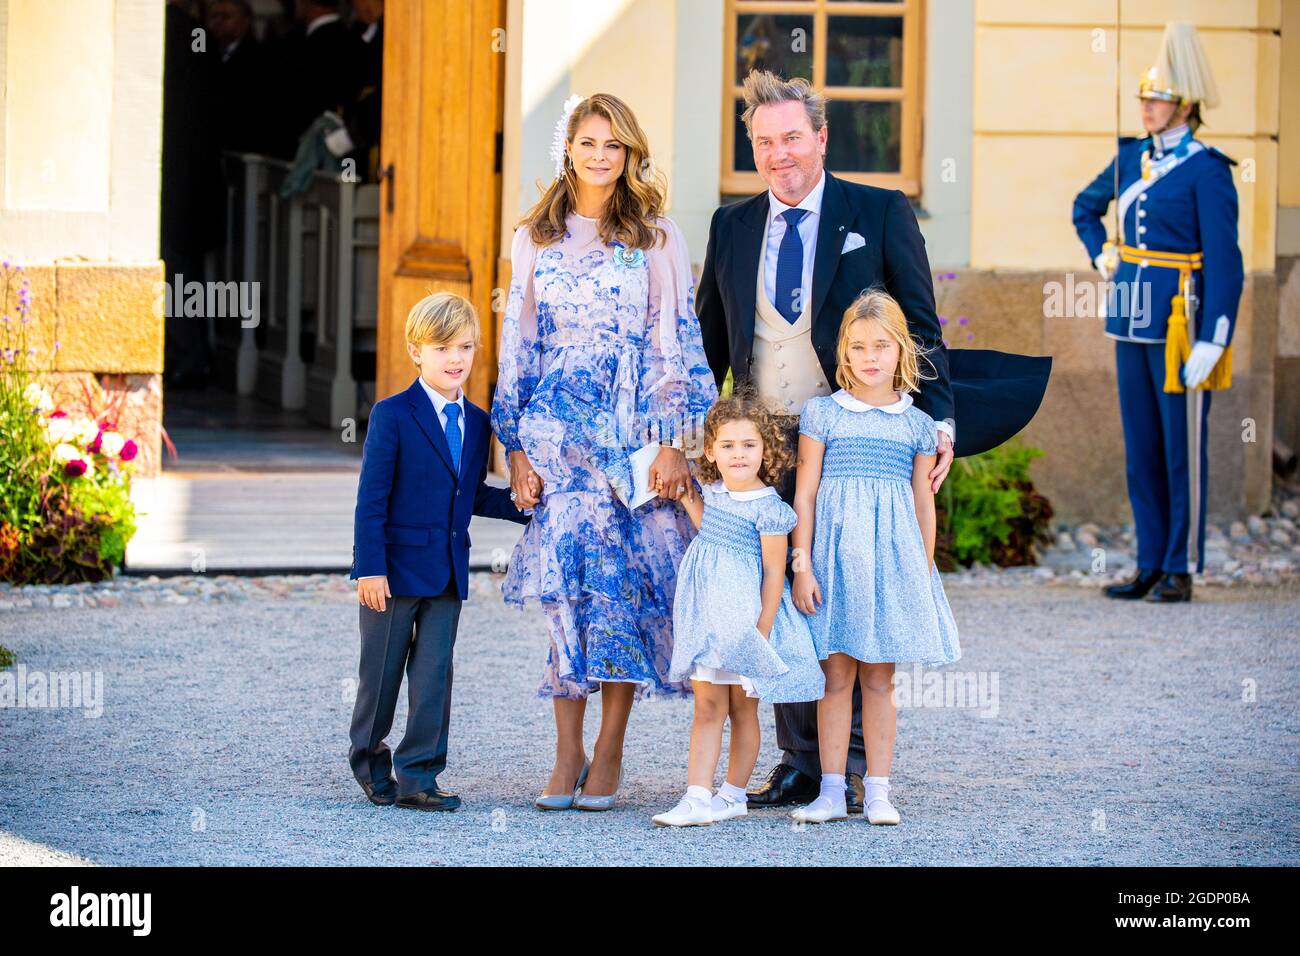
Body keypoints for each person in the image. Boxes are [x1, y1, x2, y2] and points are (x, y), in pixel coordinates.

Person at [492, 93, 717, 812]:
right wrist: (515, 449)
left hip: (634, 444)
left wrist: (677, 442)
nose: (599, 156)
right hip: (558, 443)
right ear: (568, 148)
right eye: (589, 142)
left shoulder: (656, 237)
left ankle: (612, 748)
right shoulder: (533, 238)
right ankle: (566, 751)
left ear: (629, 154)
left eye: (613, 145)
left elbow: (677, 340)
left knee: (624, 595)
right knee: (567, 596)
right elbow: (516, 349)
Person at [1072, 22, 1243, 603]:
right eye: (1143, 98)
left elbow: (1226, 261)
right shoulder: (1129, 157)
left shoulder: (1208, 169)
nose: (1146, 107)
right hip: (1130, 315)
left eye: (1158, 99)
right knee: (1142, 446)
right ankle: (1148, 561)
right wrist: (1102, 253)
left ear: (1185, 105)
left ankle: (1180, 564)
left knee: (1181, 448)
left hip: (1182, 320)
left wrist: (1215, 338)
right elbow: (1085, 208)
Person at [348, 293, 530, 811]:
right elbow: (372, 499)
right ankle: (368, 760)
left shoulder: (476, 421)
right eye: (443, 347)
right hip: (393, 573)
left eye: (466, 347)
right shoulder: (392, 415)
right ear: (416, 351)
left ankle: (419, 776)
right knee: (380, 676)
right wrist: (370, 568)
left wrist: (528, 506)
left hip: (447, 572)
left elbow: (471, 495)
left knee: (433, 678)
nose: (456, 358)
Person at [790, 289, 960, 825]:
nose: (870, 357)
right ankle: (832, 790)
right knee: (834, 679)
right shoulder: (822, 415)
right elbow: (806, 494)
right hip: (834, 564)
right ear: (843, 351)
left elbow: (922, 502)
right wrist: (802, 563)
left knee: (880, 680)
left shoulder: (916, 424)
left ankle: (880, 788)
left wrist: (923, 566)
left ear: (901, 351)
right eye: (859, 346)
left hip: (890, 565)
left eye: (881, 346)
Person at [651, 393, 824, 827]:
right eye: (727, 445)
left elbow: (772, 574)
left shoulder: (771, 509)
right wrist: (689, 500)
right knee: (707, 707)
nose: (738, 454)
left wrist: (760, 633)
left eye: (748, 445)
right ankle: (695, 797)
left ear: (766, 449)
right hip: (710, 620)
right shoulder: (713, 494)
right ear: (710, 450)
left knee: (744, 710)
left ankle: (732, 795)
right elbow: (710, 532)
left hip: (746, 625)